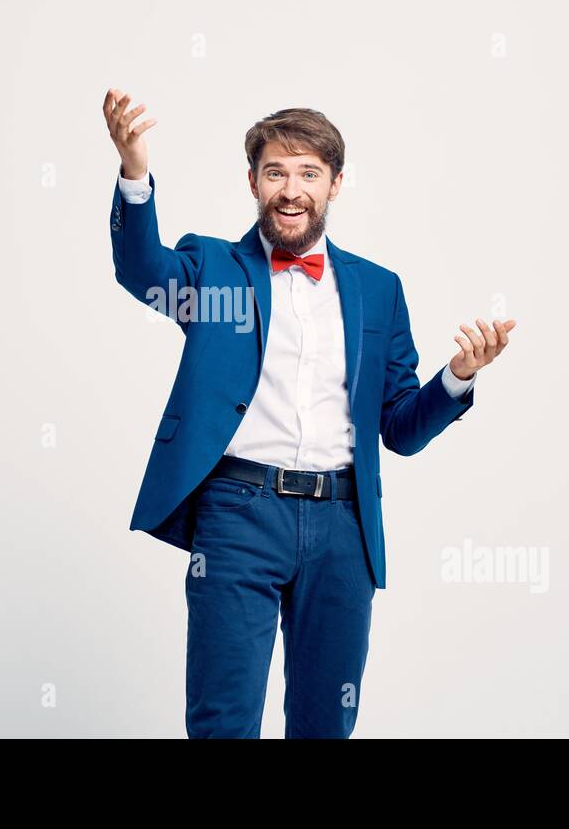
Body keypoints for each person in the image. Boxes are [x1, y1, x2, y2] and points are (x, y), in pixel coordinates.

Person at [103, 88, 515, 738]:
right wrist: (133, 170)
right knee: (223, 720)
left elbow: (400, 429)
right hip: (237, 517)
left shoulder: (378, 289)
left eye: (308, 173)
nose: (291, 189)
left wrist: (458, 378)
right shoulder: (211, 268)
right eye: (275, 172)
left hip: (344, 528)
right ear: (252, 182)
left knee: (327, 724)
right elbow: (141, 269)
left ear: (336, 184)